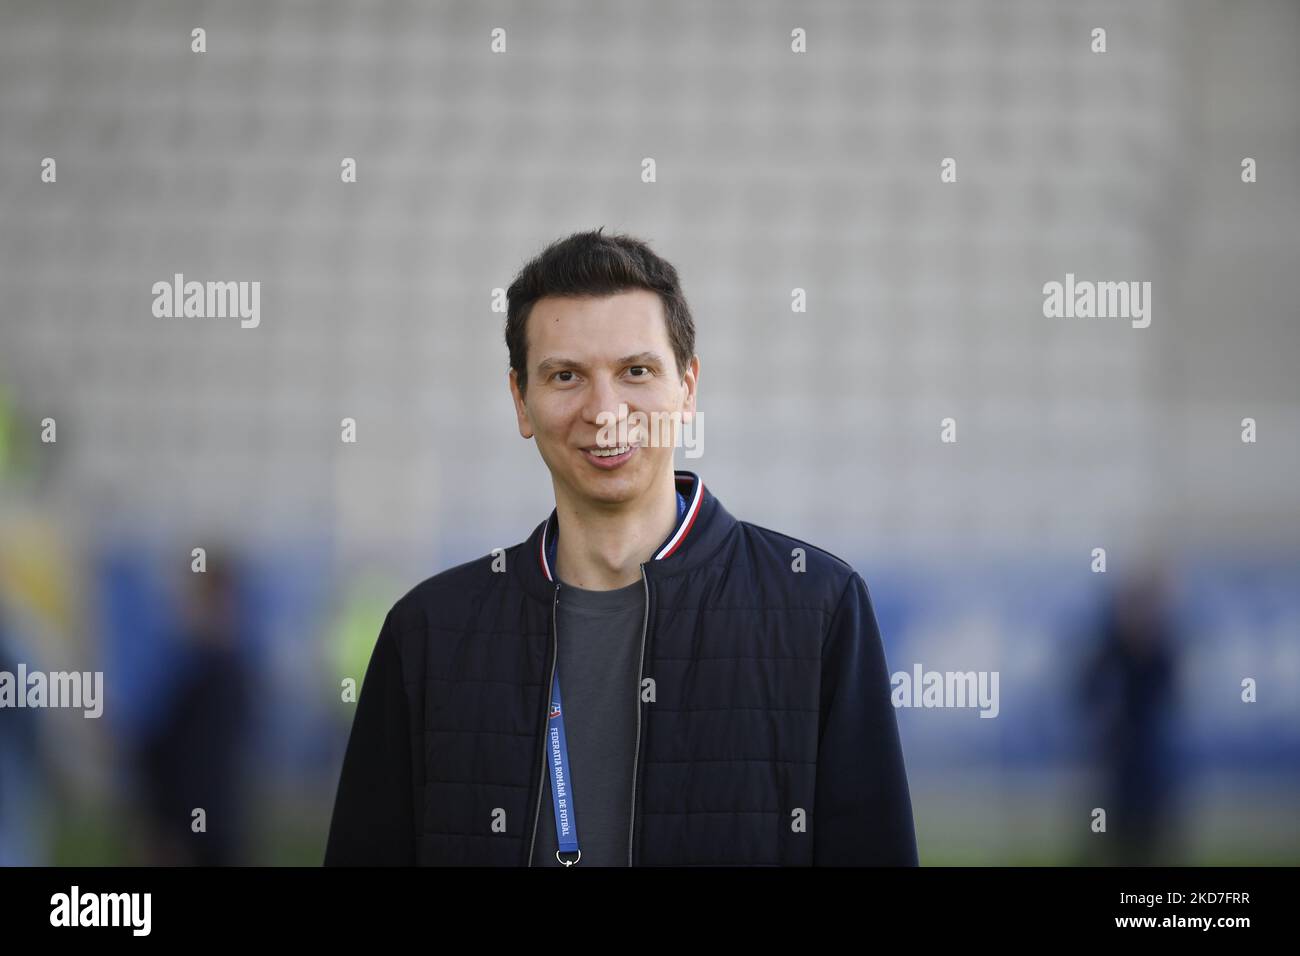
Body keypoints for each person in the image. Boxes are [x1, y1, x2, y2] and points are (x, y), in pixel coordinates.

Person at [324, 227, 918, 866]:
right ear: (521, 402)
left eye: (636, 371)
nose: (605, 411)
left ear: (687, 390)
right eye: (565, 376)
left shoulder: (819, 609)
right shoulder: (427, 633)